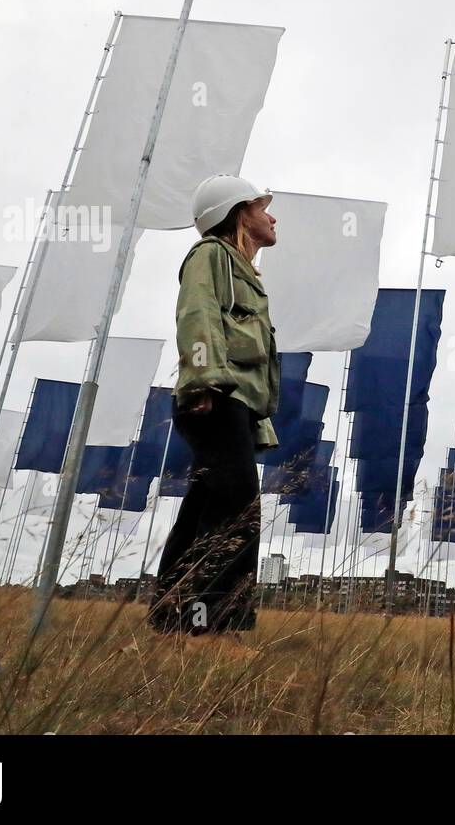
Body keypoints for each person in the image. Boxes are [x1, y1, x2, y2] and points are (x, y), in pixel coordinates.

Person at [148, 175, 281, 635]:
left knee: (205, 510)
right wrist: (205, 383)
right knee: (236, 512)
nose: (272, 216)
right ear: (240, 213)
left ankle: (173, 620)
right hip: (216, 397)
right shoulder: (211, 256)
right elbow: (198, 312)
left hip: (231, 402)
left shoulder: (240, 269)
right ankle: (217, 625)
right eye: (263, 207)